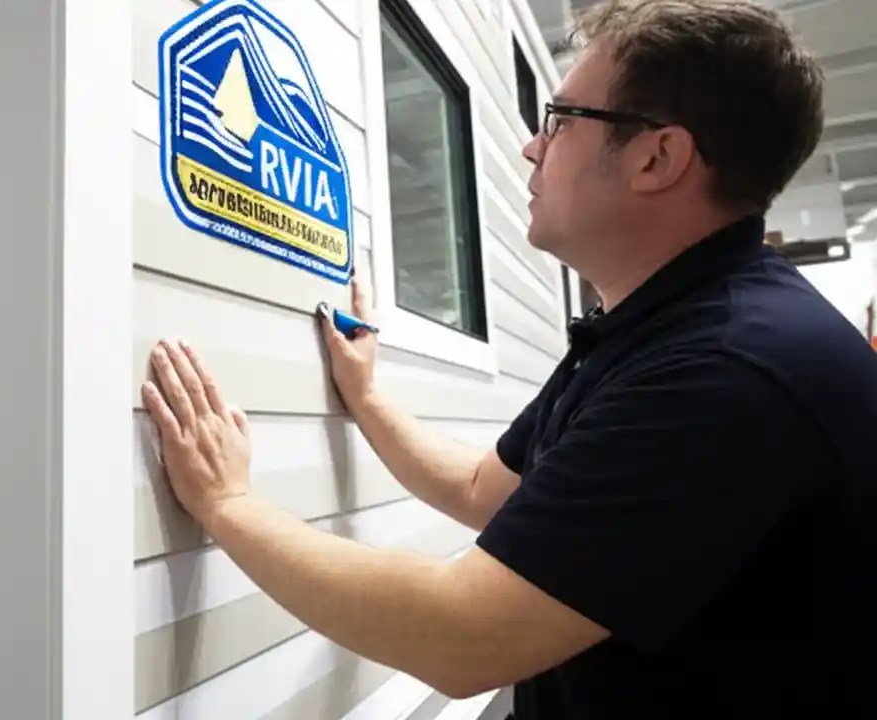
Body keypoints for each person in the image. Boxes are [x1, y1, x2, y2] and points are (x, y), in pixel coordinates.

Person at [140, 0, 875, 717]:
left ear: (657, 156)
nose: (532, 145)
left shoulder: (730, 370)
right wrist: (366, 395)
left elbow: (464, 638)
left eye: (560, 121)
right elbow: (478, 486)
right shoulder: (652, 331)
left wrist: (228, 503)